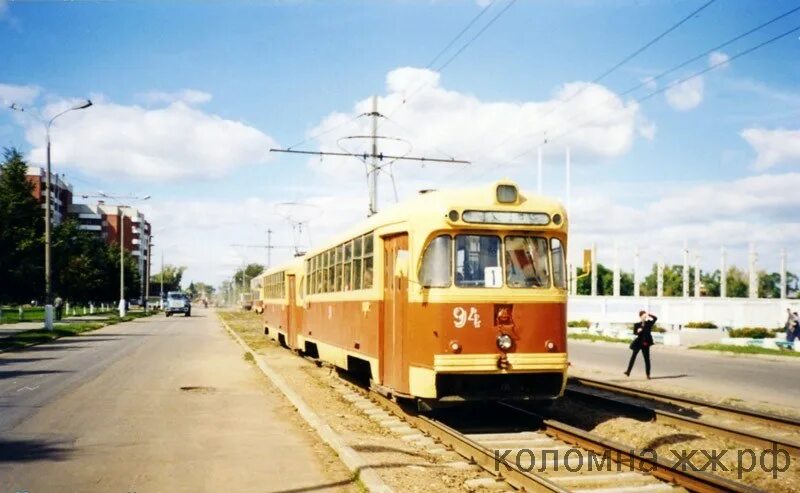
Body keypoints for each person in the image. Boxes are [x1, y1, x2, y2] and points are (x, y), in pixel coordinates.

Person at [625, 310, 657, 379]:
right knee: (633, 357)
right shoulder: (637, 324)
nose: (644, 317)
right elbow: (634, 333)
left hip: (645, 343)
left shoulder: (649, 323)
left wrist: (649, 314)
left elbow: (655, 318)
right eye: (643, 316)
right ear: (640, 316)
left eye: (645, 316)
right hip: (638, 343)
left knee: (647, 359)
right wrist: (637, 331)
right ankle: (628, 371)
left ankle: (648, 375)